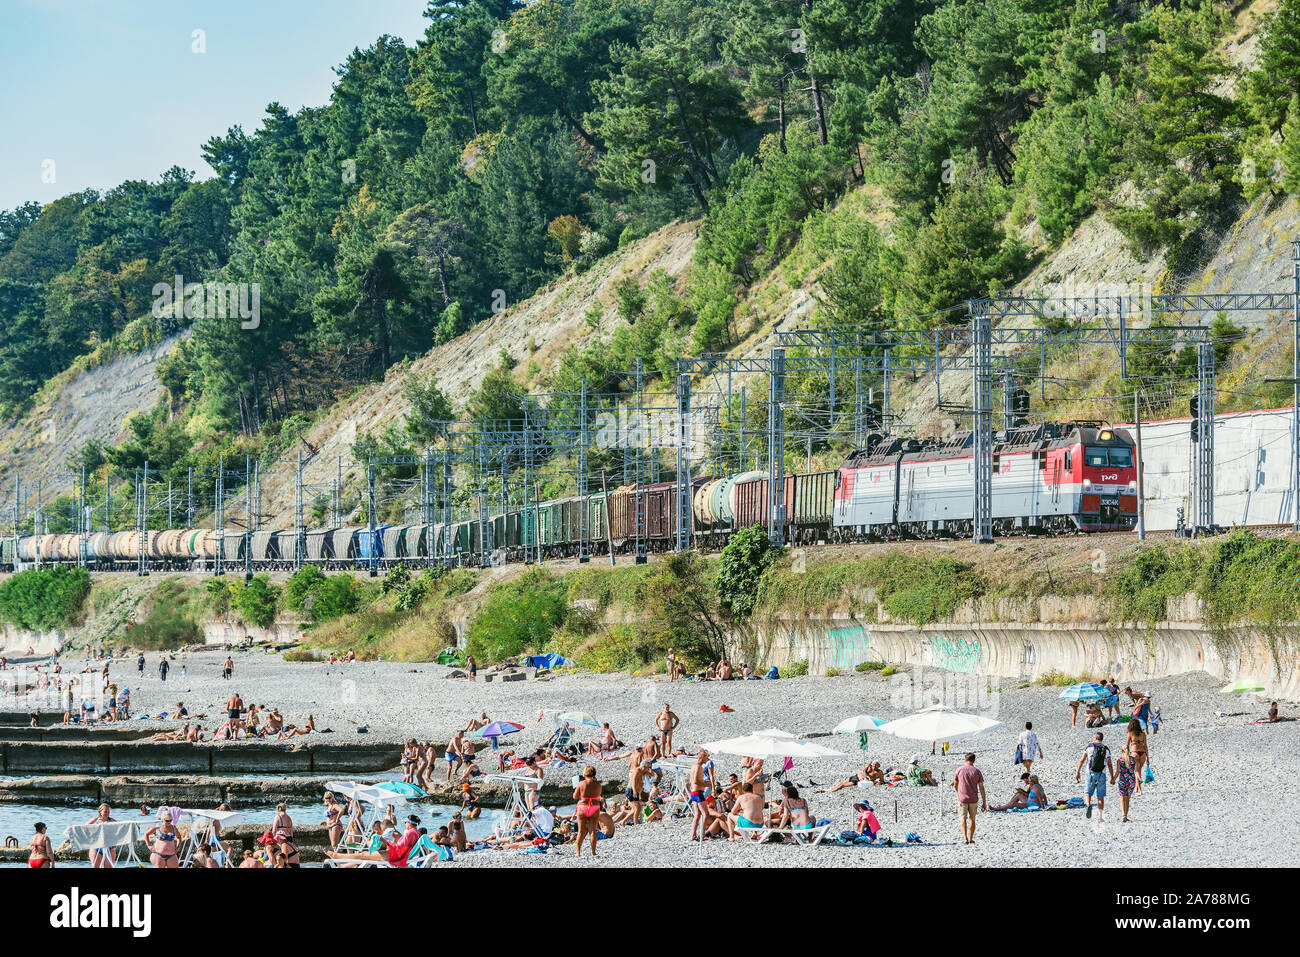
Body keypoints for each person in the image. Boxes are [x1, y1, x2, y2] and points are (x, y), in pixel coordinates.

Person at [1075, 731, 1115, 822]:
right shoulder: (1106, 749)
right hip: (1102, 774)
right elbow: (1109, 764)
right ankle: (1100, 817)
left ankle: (1088, 805)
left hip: (1090, 772)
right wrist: (1112, 776)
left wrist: (1078, 772)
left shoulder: (1089, 747)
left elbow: (1082, 760)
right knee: (1100, 796)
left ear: (1095, 738)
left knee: (1087, 792)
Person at [953, 753, 986, 844]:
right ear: (974, 760)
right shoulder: (977, 771)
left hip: (962, 798)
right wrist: (984, 802)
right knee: (972, 819)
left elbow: (955, 783)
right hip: (973, 798)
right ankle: (971, 838)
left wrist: (958, 792)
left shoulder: (959, 769)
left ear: (965, 759)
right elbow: (981, 787)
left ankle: (965, 838)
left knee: (962, 818)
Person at [573, 765, 603, 857]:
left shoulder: (581, 783)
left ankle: (578, 853)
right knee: (593, 831)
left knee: (581, 831)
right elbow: (598, 796)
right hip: (594, 807)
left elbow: (574, 796)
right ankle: (593, 852)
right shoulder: (598, 784)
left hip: (583, 806)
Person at [688, 749, 712, 840]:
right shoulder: (698, 767)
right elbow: (695, 781)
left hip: (694, 792)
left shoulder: (693, 766)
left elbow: (691, 781)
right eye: (706, 757)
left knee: (697, 814)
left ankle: (693, 835)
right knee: (705, 813)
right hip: (698, 792)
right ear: (702, 757)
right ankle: (702, 835)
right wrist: (705, 784)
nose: (707, 759)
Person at [86, 804, 117, 868]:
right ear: (100, 811)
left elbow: (121, 830)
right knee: (95, 867)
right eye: (105, 811)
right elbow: (83, 829)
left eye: (108, 812)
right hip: (96, 847)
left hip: (110, 847)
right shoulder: (95, 820)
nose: (107, 813)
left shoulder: (112, 821)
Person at [1123, 718, 1149, 795]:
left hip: (1134, 753)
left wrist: (1126, 755)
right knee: (1138, 770)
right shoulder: (1143, 734)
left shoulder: (1130, 733)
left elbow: (1127, 746)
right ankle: (1137, 788)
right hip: (1143, 753)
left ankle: (1139, 789)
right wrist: (1148, 758)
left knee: (1136, 771)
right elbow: (1146, 746)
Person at [1115, 751, 1137, 822]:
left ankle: (1123, 814)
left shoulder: (1120, 760)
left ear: (1122, 751)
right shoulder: (1133, 759)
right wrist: (1139, 779)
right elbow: (1136, 770)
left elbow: (1118, 771)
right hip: (1131, 780)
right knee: (1128, 798)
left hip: (1122, 780)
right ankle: (1126, 815)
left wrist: (1113, 779)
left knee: (1122, 797)